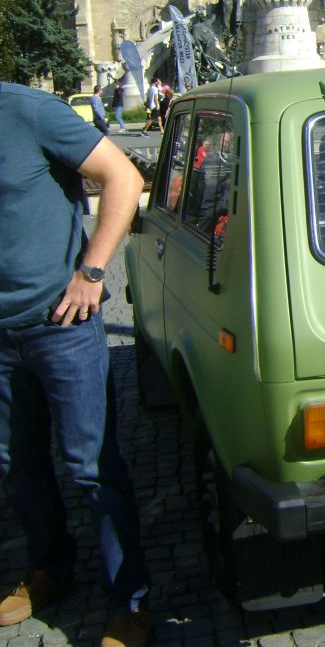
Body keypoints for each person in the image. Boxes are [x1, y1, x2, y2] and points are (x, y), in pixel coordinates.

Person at [0, 83, 150, 646]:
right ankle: (50, 570)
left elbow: (125, 178)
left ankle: (129, 601)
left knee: (91, 466)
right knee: (16, 464)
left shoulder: (28, 112)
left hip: (59, 325)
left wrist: (92, 273)